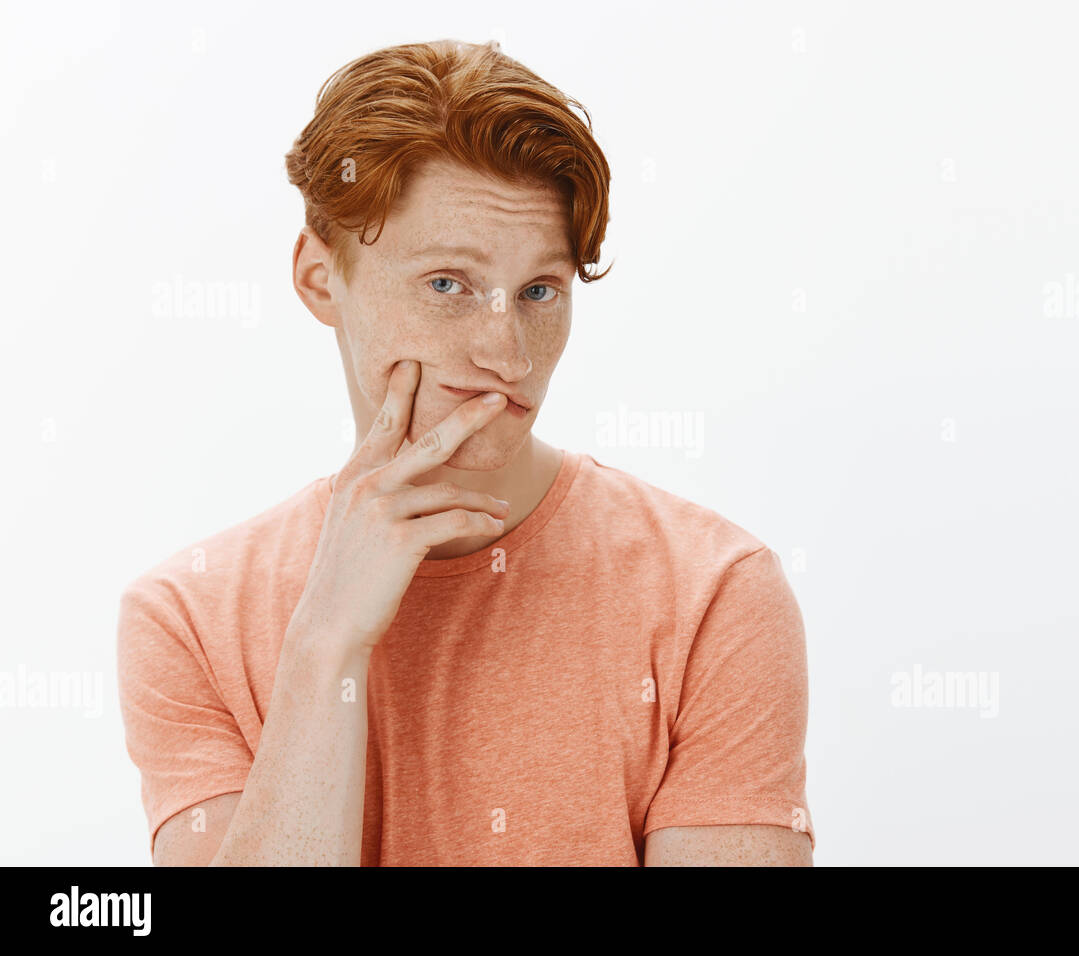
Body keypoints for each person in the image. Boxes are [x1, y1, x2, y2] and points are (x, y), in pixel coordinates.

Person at [116, 38, 814, 866]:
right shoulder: (188, 620)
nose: (508, 354)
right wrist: (326, 643)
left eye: (538, 292)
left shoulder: (713, 593)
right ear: (317, 278)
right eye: (448, 283)